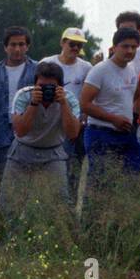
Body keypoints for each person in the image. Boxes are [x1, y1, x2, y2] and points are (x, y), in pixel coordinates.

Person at [2, 61, 81, 213]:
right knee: (9, 205)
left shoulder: (69, 99)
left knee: (58, 205)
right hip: (22, 151)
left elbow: (73, 134)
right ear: (35, 85)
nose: (47, 91)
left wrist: (63, 103)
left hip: (53, 154)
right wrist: (33, 104)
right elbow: (20, 131)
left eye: (51, 87)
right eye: (42, 86)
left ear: (61, 87)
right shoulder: (24, 95)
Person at [81, 26, 140, 177]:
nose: (129, 51)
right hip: (101, 133)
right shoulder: (100, 70)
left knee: (135, 177)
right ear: (114, 47)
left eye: (134, 47)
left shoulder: (131, 70)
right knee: (100, 182)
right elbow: (84, 104)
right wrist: (113, 118)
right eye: (125, 46)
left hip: (125, 133)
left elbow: (132, 96)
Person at [0, 26, 38, 181]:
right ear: (6, 47)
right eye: (13, 44)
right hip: (2, 135)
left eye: (21, 44)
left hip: (30, 135)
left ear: (27, 46)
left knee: (30, 181)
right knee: (6, 180)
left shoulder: (37, 70)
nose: (17, 49)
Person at [41, 27, 92, 192]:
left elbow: (88, 96)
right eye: (72, 44)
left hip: (74, 126)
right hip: (50, 124)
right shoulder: (47, 63)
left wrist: (83, 117)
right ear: (63, 43)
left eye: (79, 45)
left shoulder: (86, 67)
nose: (75, 48)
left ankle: (67, 210)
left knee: (72, 172)